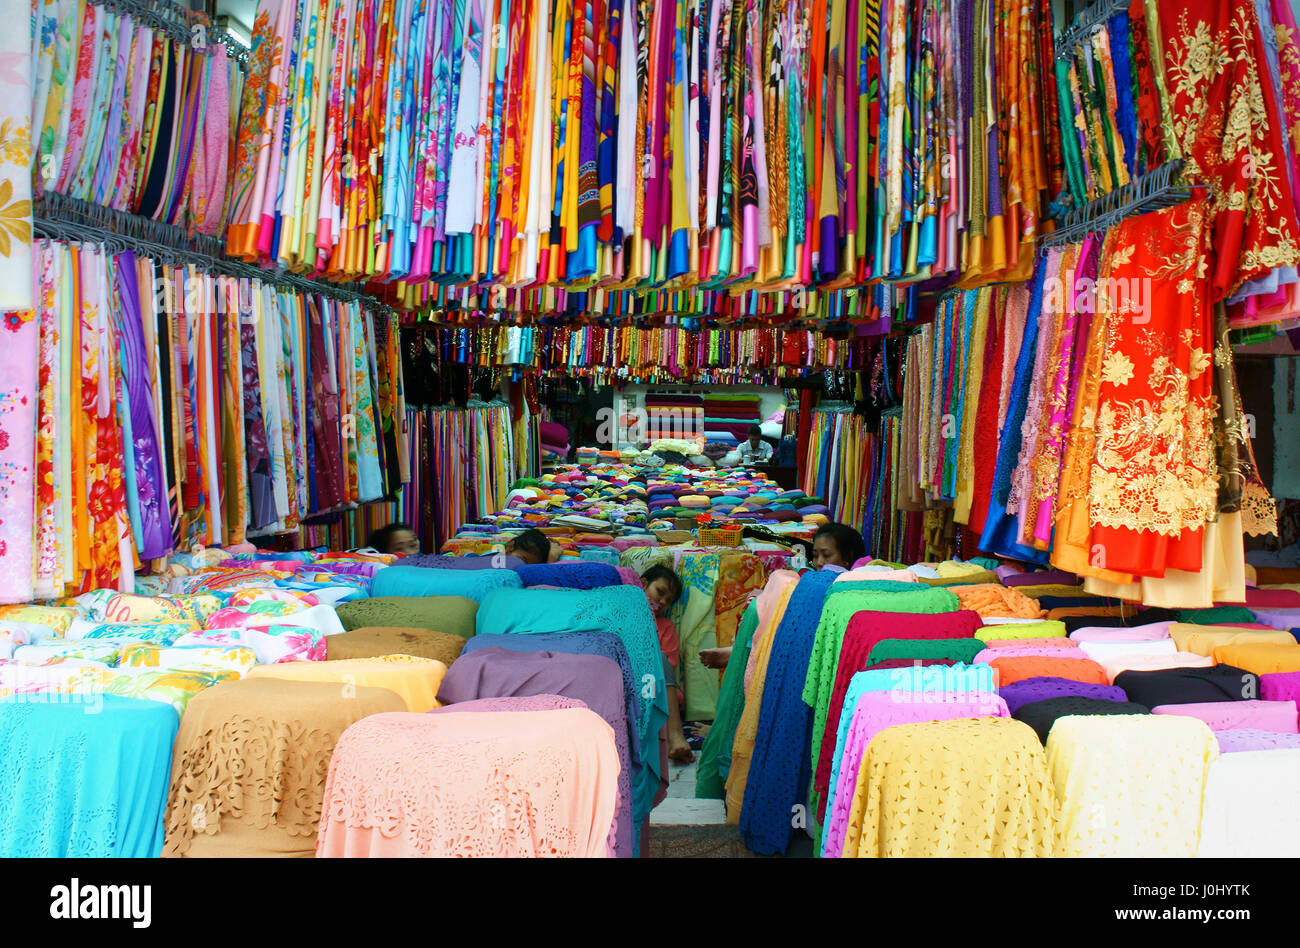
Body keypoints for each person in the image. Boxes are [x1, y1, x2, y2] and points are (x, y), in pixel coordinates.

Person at [642, 564, 694, 764]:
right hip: (625, 678)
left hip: (654, 684)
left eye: (668, 601)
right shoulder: (624, 614)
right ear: (644, 584)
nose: (662, 601)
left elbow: (668, 665)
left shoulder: (666, 627)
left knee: (660, 659)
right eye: (659, 592)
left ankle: (675, 736)